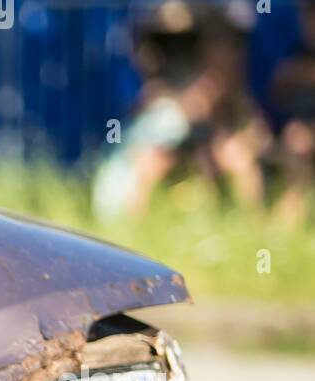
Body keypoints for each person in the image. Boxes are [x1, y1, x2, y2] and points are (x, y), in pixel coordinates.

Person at [94, 1, 270, 220]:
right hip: (117, 204)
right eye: (228, 46)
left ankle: (256, 227)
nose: (235, 57)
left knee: (237, 156)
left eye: (237, 46)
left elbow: (253, 137)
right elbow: (148, 160)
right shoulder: (165, 113)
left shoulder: (227, 102)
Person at [270, 0, 315, 224]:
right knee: (296, 138)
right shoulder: (298, 52)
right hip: (297, 129)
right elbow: (277, 93)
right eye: (306, 17)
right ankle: (293, 206)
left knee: (298, 138)